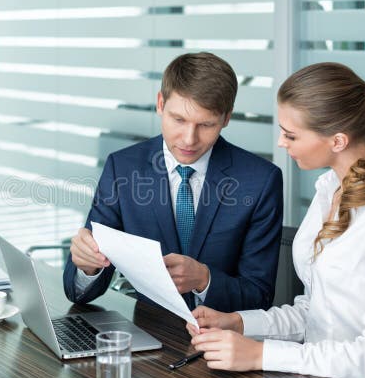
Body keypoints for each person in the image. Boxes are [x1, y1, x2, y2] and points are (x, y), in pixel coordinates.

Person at [187, 62, 365, 378]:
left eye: (291, 135)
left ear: (337, 141)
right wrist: (241, 322)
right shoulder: (329, 189)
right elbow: (318, 312)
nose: (281, 142)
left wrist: (262, 354)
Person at [63, 52, 283, 313]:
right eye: (179, 120)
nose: (189, 139)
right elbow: (78, 292)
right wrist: (87, 266)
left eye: (206, 125)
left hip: (223, 333)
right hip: (150, 329)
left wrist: (205, 280)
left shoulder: (261, 181)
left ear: (226, 118)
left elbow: (259, 296)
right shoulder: (122, 168)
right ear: (160, 104)